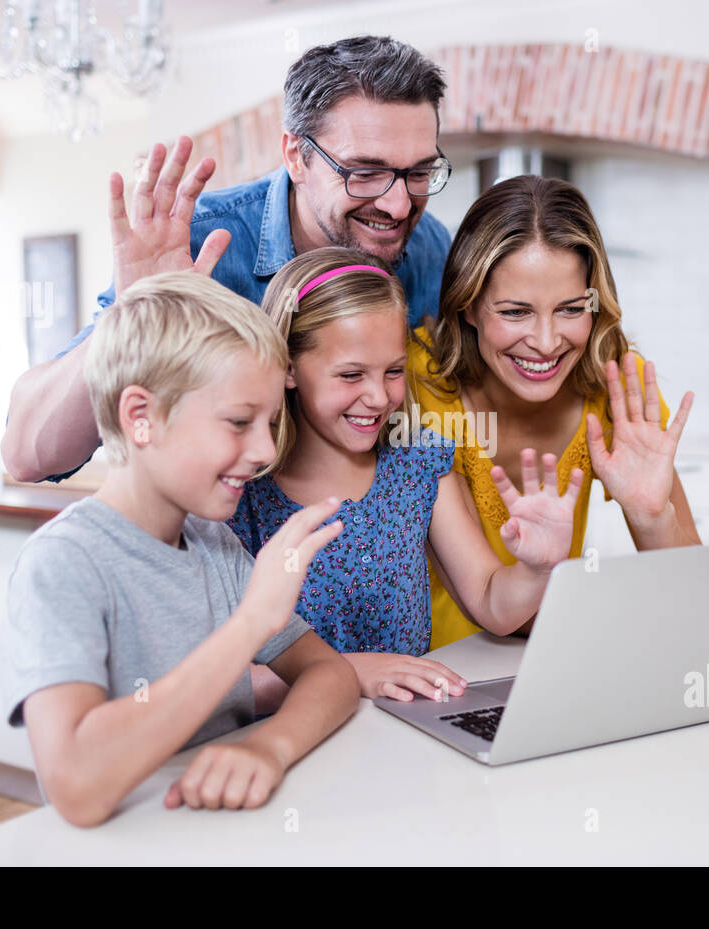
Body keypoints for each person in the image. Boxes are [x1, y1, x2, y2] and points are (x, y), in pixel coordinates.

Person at [2, 35, 453, 484]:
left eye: (418, 173)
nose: (398, 206)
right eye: (364, 174)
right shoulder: (198, 242)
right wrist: (134, 311)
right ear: (297, 157)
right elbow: (29, 457)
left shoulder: (429, 246)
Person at [1, 271, 359, 827]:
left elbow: (330, 675)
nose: (265, 450)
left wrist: (271, 748)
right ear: (140, 417)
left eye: (269, 422)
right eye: (239, 422)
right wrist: (250, 624)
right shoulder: (63, 565)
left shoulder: (213, 544)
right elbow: (76, 785)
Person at [229, 247, 582, 706]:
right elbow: (213, 682)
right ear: (288, 368)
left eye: (394, 371)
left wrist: (537, 569)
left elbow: (492, 604)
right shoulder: (241, 490)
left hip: (403, 738)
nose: (378, 397)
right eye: (351, 375)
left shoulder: (417, 466)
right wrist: (345, 673)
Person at [407, 175, 701, 649]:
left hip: (547, 666)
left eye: (569, 309)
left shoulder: (619, 390)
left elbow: (695, 593)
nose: (546, 343)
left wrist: (651, 515)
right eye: (515, 312)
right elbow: (495, 609)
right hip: (435, 677)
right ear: (467, 305)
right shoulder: (417, 385)